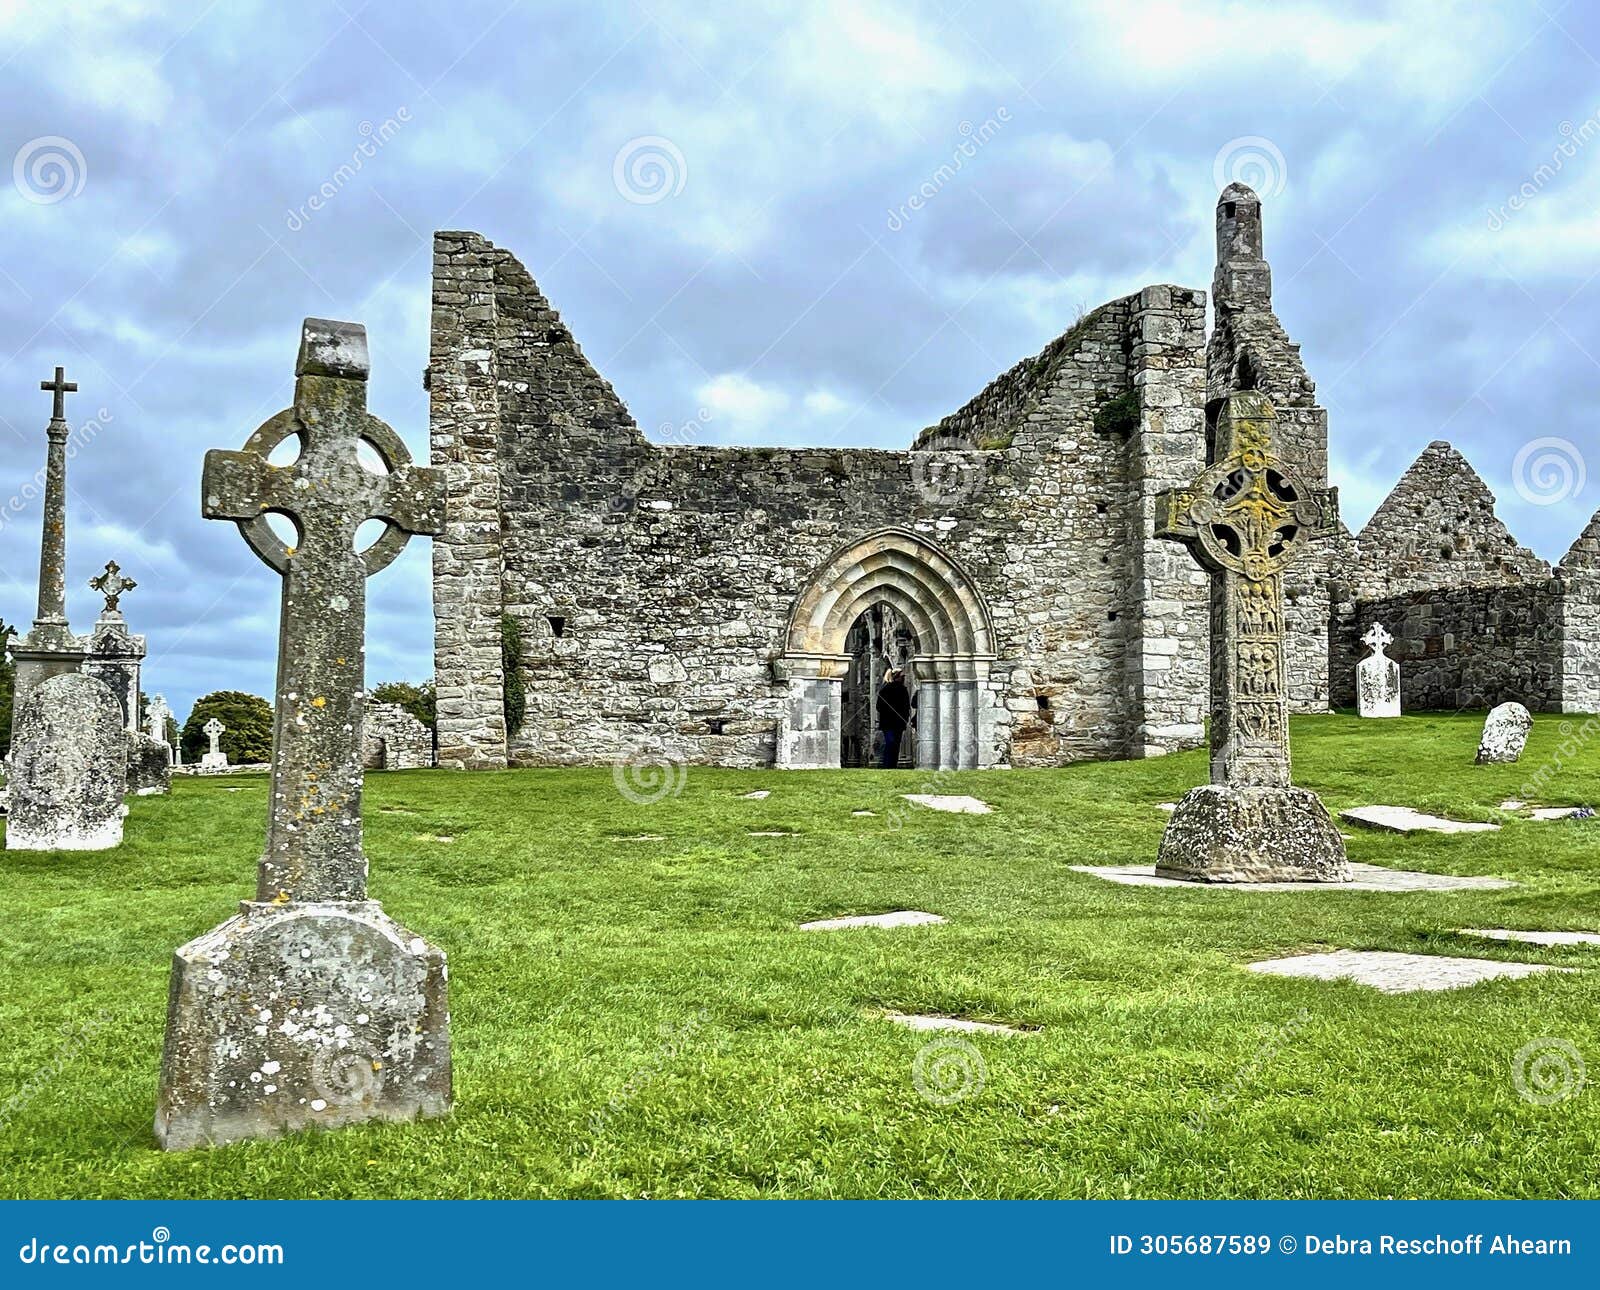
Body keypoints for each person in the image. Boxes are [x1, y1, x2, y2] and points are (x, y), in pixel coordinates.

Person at [876, 667, 912, 769]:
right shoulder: (885, 689)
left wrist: (904, 717)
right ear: (896, 677)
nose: (903, 679)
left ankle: (892, 765)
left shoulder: (902, 690)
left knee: (895, 743)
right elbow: (879, 706)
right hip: (889, 722)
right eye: (901, 677)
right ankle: (887, 765)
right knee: (891, 742)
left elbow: (906, 706)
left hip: (897, 722)